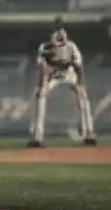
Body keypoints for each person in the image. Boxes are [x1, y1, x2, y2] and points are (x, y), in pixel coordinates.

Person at [29, 18, 96, 147]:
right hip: (52, 76)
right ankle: (37, 137)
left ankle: (89, 133)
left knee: (83, 98)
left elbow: (78, 67)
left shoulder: (71, 46)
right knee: (39, 97)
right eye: (56, 30)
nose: (59, 34)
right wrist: (40, 87)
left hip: (69, 73)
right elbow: (43, 69)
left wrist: (81, 85)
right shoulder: (44, 47)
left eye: (61, 30)